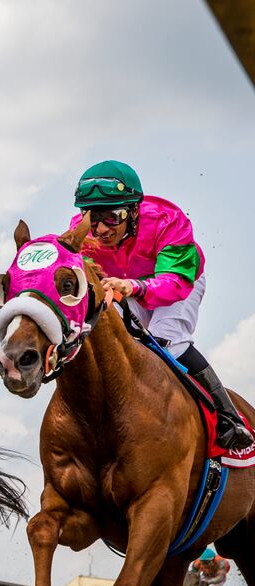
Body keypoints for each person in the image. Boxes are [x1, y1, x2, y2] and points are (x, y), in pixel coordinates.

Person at [72, 160, 254, 450]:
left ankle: (229, 418)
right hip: (126, 287)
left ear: (133, 210)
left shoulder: (167, 221)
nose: (101, 229)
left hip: (178, 281)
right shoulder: (82, 234)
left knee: (166, 342)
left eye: (112, 217)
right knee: (108, 339)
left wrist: (134, 286)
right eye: (92, 218)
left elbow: (174, 284)